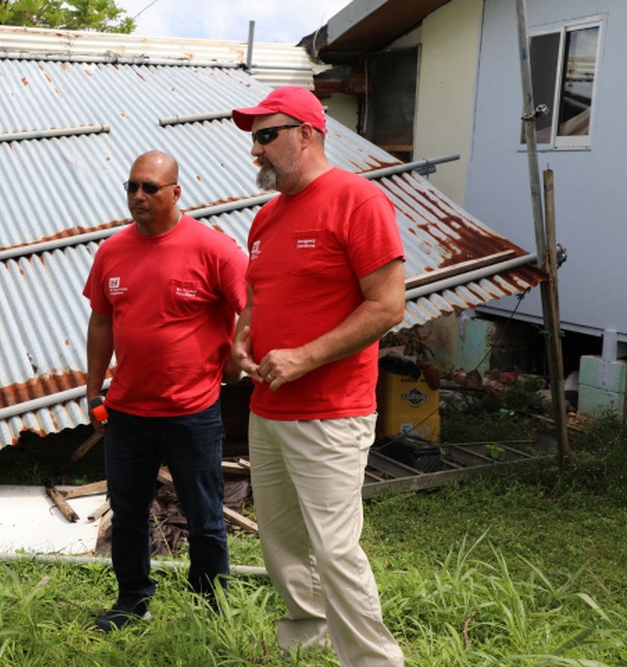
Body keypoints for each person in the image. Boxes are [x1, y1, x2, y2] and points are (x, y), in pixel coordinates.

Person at [229, 87, 407, 666]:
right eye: (252, 137)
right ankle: (307, 648)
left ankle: (375, 662)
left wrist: (304, 356)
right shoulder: (266, 217)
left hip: (331, 411)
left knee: (333, 550)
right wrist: (240, 340)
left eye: (265, 135)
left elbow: (386, 306)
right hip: (268, 408)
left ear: (306, 133)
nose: (255, 149)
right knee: (281, 545)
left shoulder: (357, 201)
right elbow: (259, 295)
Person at [83, 151, 247, 631]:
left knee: (204, 515)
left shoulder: (214, 249)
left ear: (175, 192)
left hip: (191, 412)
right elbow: (101, 319)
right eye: (132, 186)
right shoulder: (112, 251)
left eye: (150, 187)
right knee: (128, 513)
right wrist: (94, 389)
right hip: (127, 412)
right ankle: (132, 601)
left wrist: (239, 362)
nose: (138, 196)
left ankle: (209, 606)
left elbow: (253, 310)